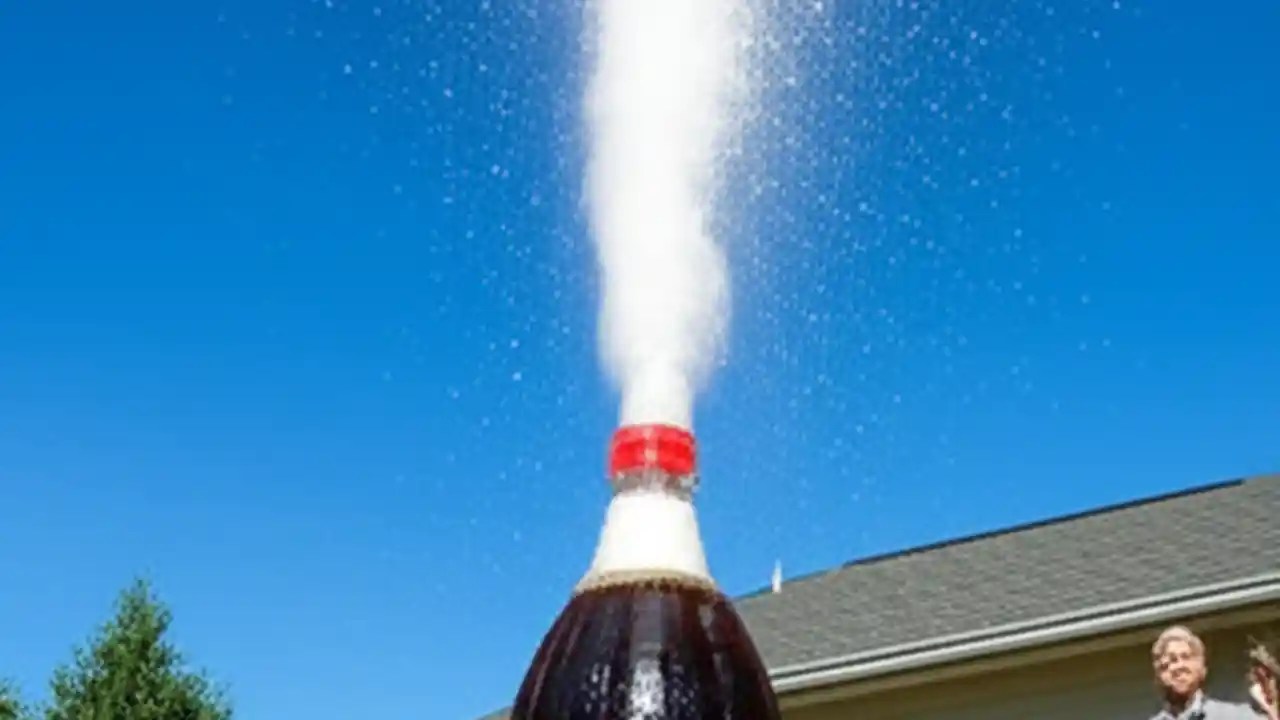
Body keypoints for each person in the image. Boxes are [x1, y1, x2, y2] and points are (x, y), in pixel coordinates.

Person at [1149, 625, 1279, 720]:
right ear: (1158, 678)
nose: (1178, 667)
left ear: (1202, 669)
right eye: (1168, 663)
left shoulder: (1236, 716)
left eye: (1186, 657)